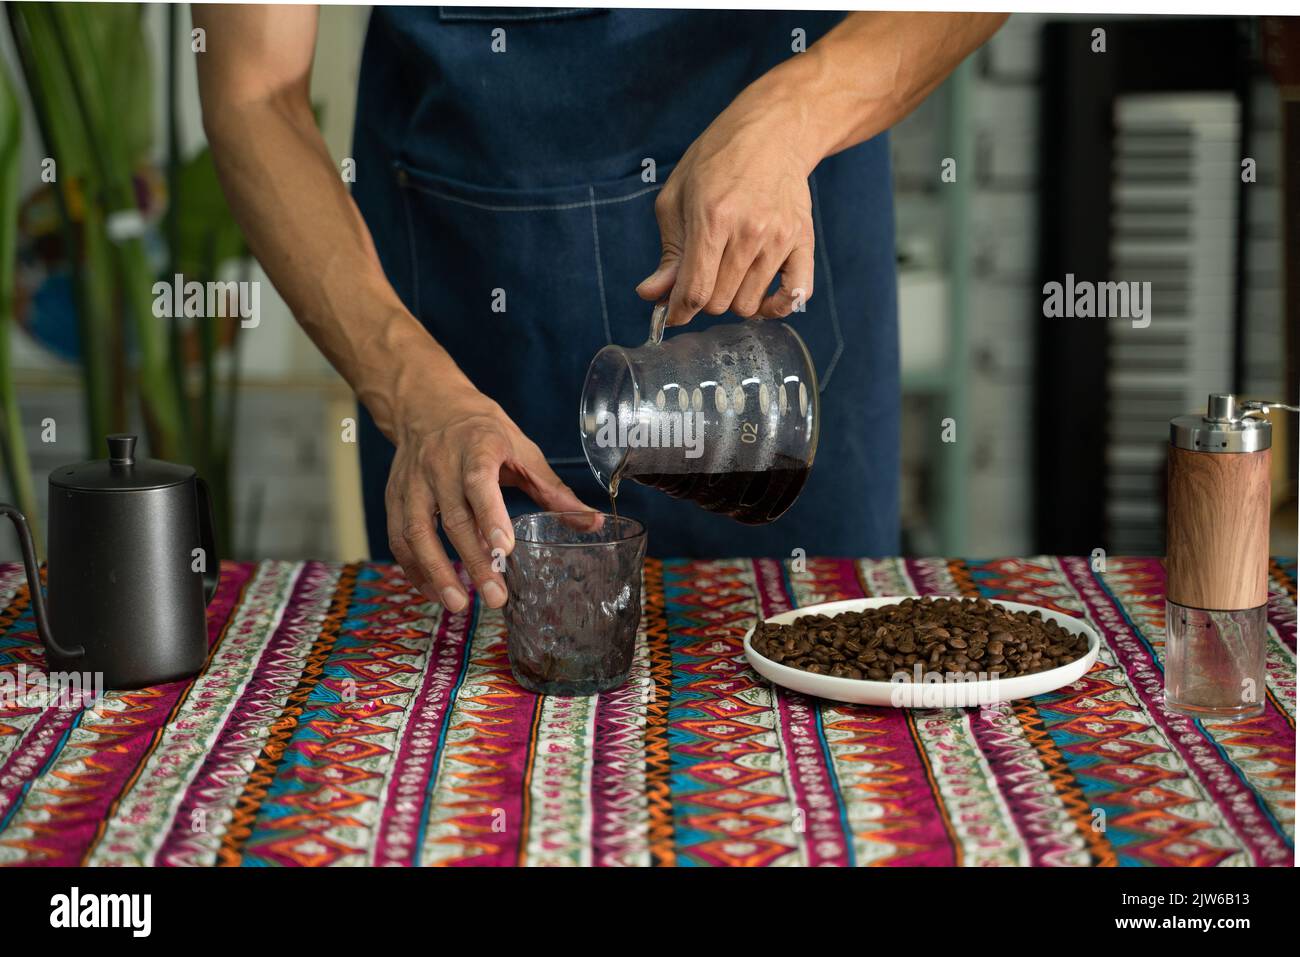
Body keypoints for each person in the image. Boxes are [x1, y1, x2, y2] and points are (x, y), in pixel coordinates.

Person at [196, 5, 1007, 612]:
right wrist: (413, 394)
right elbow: (253, 91)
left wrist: (792, 118)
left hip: (785, 257)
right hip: (470, 313)